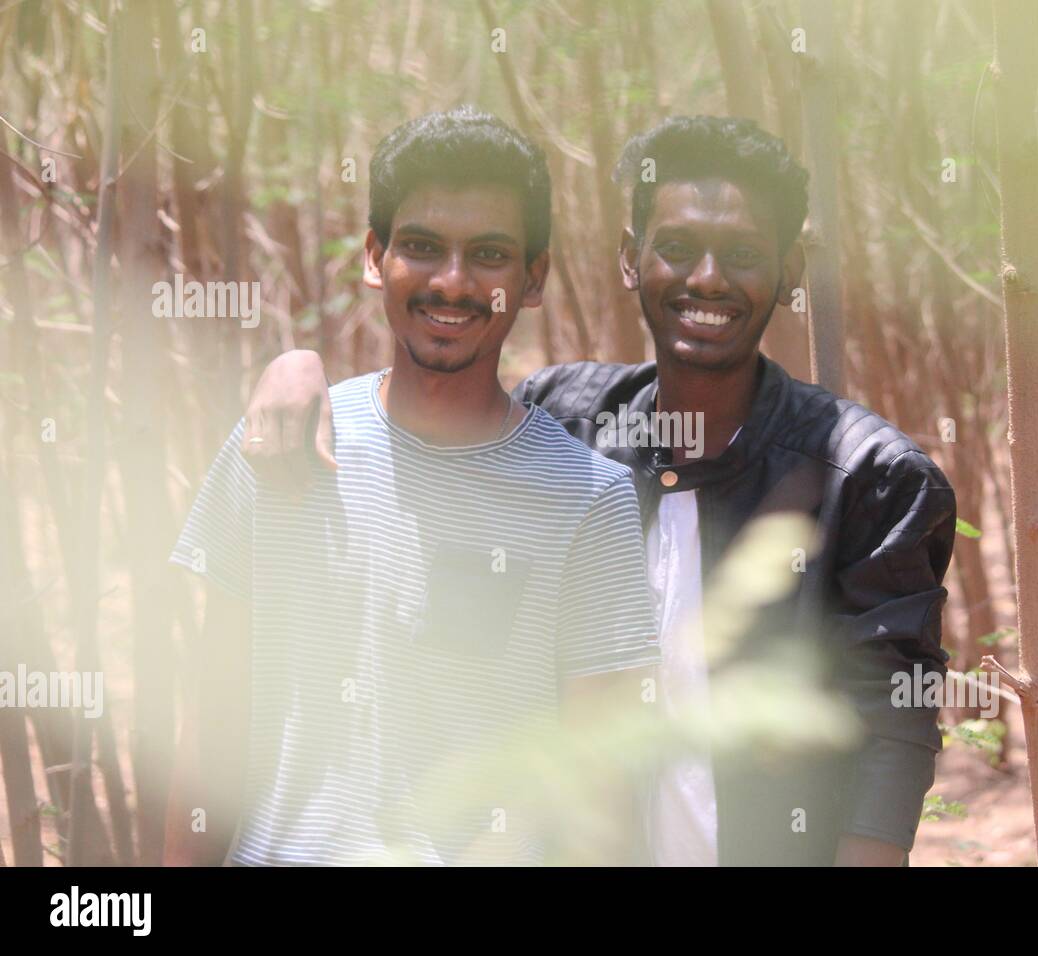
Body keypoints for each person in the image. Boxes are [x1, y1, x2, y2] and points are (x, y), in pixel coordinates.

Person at [245, 115, 957, 867]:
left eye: (743, 254)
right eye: (677, 248)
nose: (707, 277)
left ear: (790, 269)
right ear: (631, 259)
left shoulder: (868, 478)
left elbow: (891, 733)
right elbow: (431, 423)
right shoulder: (567, 426)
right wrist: (298, 368)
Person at [164, 107, 659, 866]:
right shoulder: (277, 444)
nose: (452, 283)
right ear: (375, 256)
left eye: (489, 254)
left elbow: (597, 791)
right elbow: (213, 716)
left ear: (533, 278)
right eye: (423, 247)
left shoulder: (587, 499)